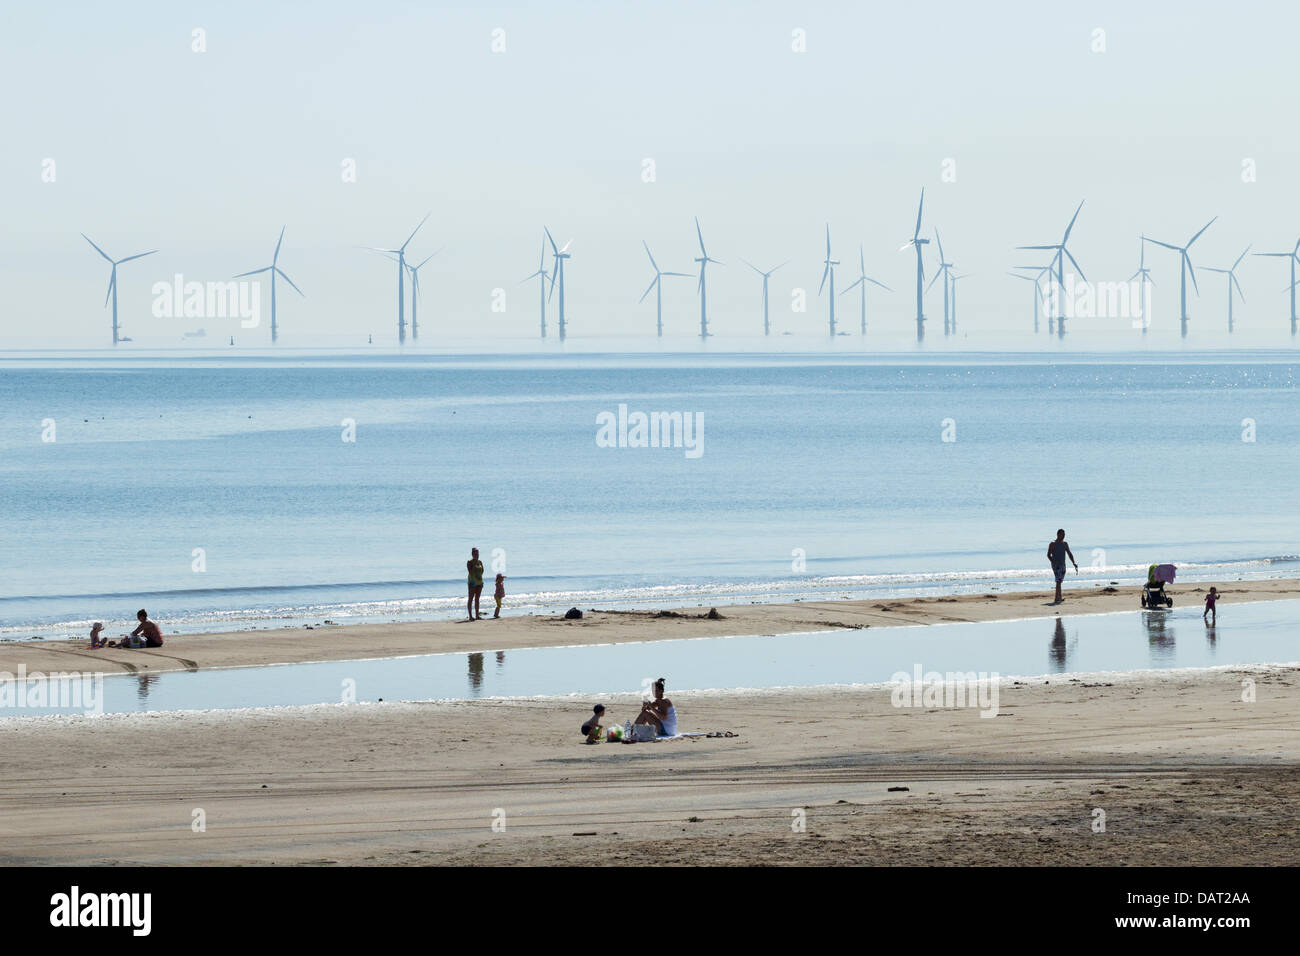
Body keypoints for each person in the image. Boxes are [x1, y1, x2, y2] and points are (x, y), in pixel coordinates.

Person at [1047, 529, 1078, 604]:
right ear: (1057, 534)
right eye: (1062, 534)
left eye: (1064, 535)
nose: (1063, 536)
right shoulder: (1052, 543)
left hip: (1063, 565)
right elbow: (1048, 555)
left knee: (1060, 581)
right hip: (1056, 565)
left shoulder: (1065, 544)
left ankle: (1058, 597)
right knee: (1058, 581)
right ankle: (1057, 598)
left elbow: (1069, 553)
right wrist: (1053, 562)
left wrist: (1074, 563)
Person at [466, 548, 484, 620]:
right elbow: (470, 572)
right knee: (470, 599)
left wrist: (479, 576)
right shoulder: (469, 562)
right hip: (472, 582)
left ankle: (477, 615)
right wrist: (474, 564)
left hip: (479, 582)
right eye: (475, 554)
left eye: (478, 553)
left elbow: (482, 571)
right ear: (472, 554)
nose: (477, 555)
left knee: (477, 599)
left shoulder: (480, 562)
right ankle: (470, 616)